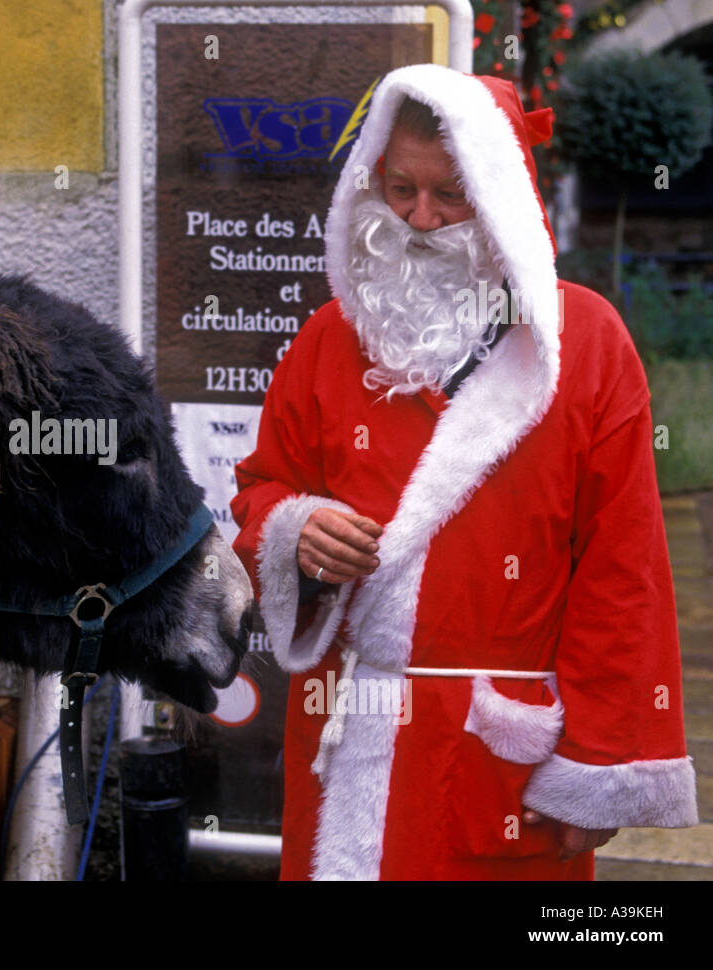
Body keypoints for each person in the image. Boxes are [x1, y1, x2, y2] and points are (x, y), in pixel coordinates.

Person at [230, 63, 698, 880]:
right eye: (399, 188)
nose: (418, 218)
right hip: (349, 736)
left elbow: (623, 570)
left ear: (502, 196)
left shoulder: (583, 346)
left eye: (450, 194)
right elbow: (261, 488)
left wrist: (598, 760)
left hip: (499, 754)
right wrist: (294, 531)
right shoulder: (329, 338)